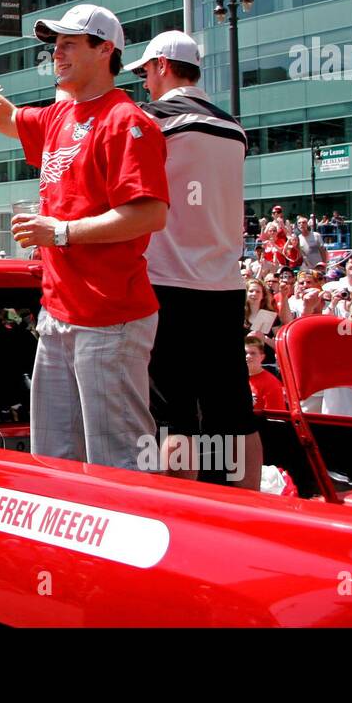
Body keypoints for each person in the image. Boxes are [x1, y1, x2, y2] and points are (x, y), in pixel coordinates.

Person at [0, 4, 170, 470]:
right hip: (58, 314)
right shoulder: (59, 115)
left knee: (120, 461)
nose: (57, 53)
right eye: (55, 45)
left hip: (109, 315)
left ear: (105, 49)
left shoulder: (127, 121)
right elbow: (6, 117)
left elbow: (150, 213)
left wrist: (63, 232)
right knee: (52, 457)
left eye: (69, 43)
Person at [130, 30, 260, 487]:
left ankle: (177, 510)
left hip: (169, 281)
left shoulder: (151, 120)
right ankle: (251, 508)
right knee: (233, 408)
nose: (144, 82)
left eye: (145, 71)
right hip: (225, 284)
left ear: (163, 65)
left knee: (172, 409)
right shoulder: (233, 128)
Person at [246, 335, 286, 412]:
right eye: (245, 352)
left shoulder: (271, 384)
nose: (247, 356)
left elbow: (275, 419)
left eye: (253, 353)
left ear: (262, 357)